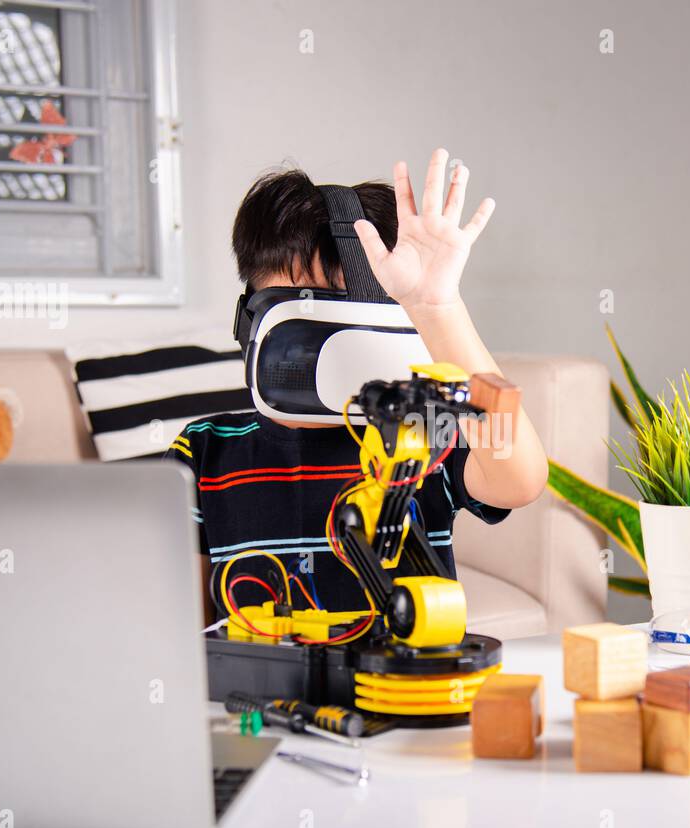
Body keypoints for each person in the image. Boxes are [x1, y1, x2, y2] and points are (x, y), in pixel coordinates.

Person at [170, 149, 548, 621]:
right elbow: (185, 627)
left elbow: (521, 480)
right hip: (262, 688)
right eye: (307, 330)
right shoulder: (205, 451)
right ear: (250, 325)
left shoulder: (421, 439)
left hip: (403, 686)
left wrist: (437, 308)